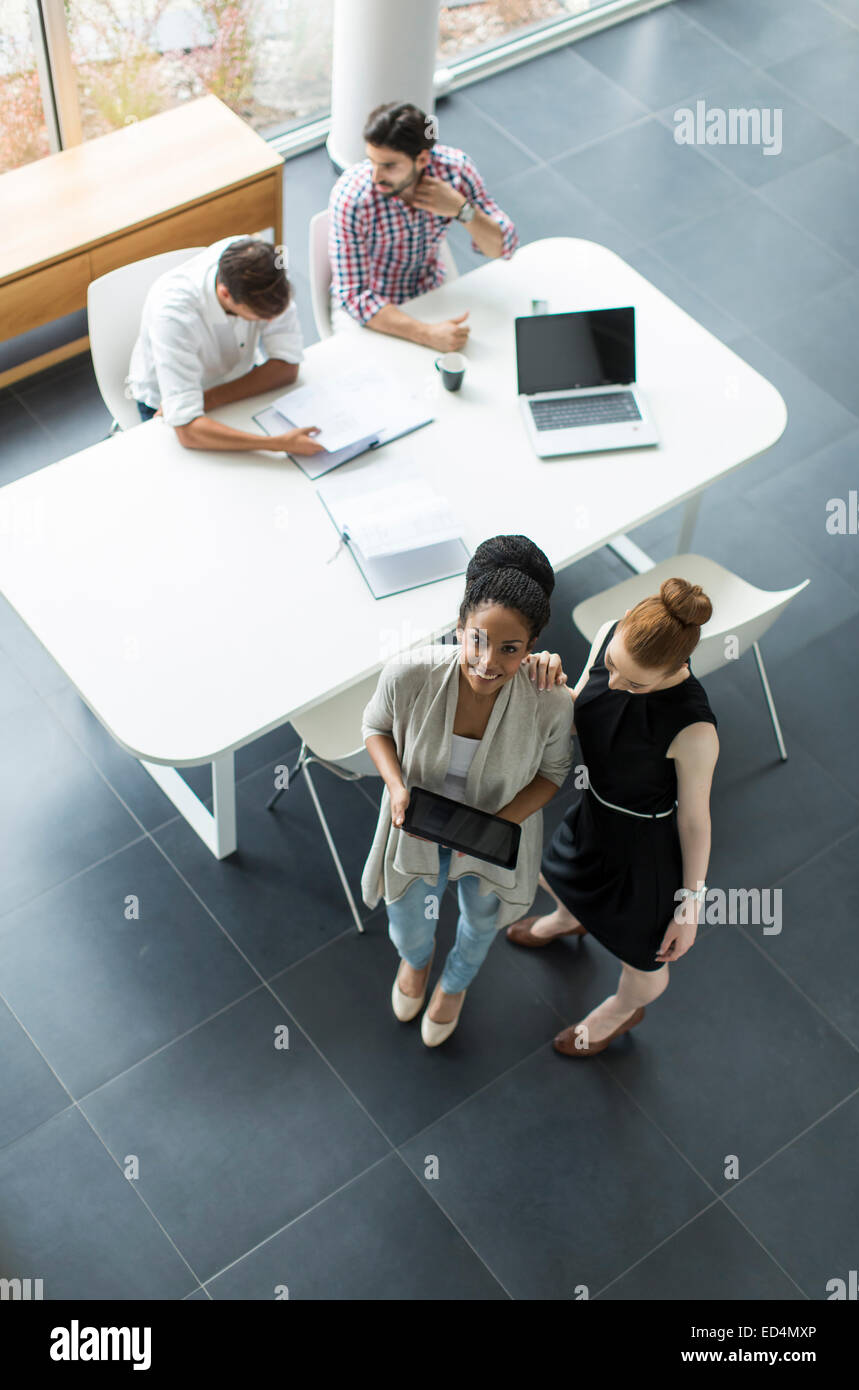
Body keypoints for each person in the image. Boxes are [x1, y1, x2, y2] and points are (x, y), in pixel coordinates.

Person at [360, 536, 574, 1047]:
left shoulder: (549, 702)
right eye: (476, 640)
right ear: (458, 627)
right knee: (408, 908)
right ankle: (416, 960)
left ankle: (454, 984)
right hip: (416, 822)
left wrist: (496, 822)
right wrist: (395, 786)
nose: (487, 662)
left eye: (509, 649)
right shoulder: (409, 673)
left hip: (496, 834)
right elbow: (375, 727)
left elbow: (553, 773)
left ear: (531, 647)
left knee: (482, 918)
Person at [507, 579, 720, 1058]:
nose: (618, 686)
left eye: (636, 684)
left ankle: (621, 1010)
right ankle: (569, 919)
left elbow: (695, 821)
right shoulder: (609, 635)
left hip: (644, 852)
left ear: (677, 668)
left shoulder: (694, 729)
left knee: (645, 962)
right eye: (613, 669)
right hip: (595, 812)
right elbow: (579, 708)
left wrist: (690, 907)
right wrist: (547, 685)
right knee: (552, 877)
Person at [328, 101, 518, 348]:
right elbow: (353, 295)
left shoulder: (455, 172)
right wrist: (426, 334)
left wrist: (462, 210)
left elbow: (503, 248)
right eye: (372, 161)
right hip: (372, 305)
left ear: (422, 159)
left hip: (429, 287)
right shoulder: (352, 197)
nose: (376, 176)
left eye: (389, 166)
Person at [126, 235, 325, 457]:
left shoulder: (268, 272)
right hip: (165, 401)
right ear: (225, 294)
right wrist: (277, 444)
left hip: (233, 381)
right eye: (260, 316)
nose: (271, 321)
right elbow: (188, 431)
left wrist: (208, 398)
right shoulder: (173, 313)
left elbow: (287, 367)